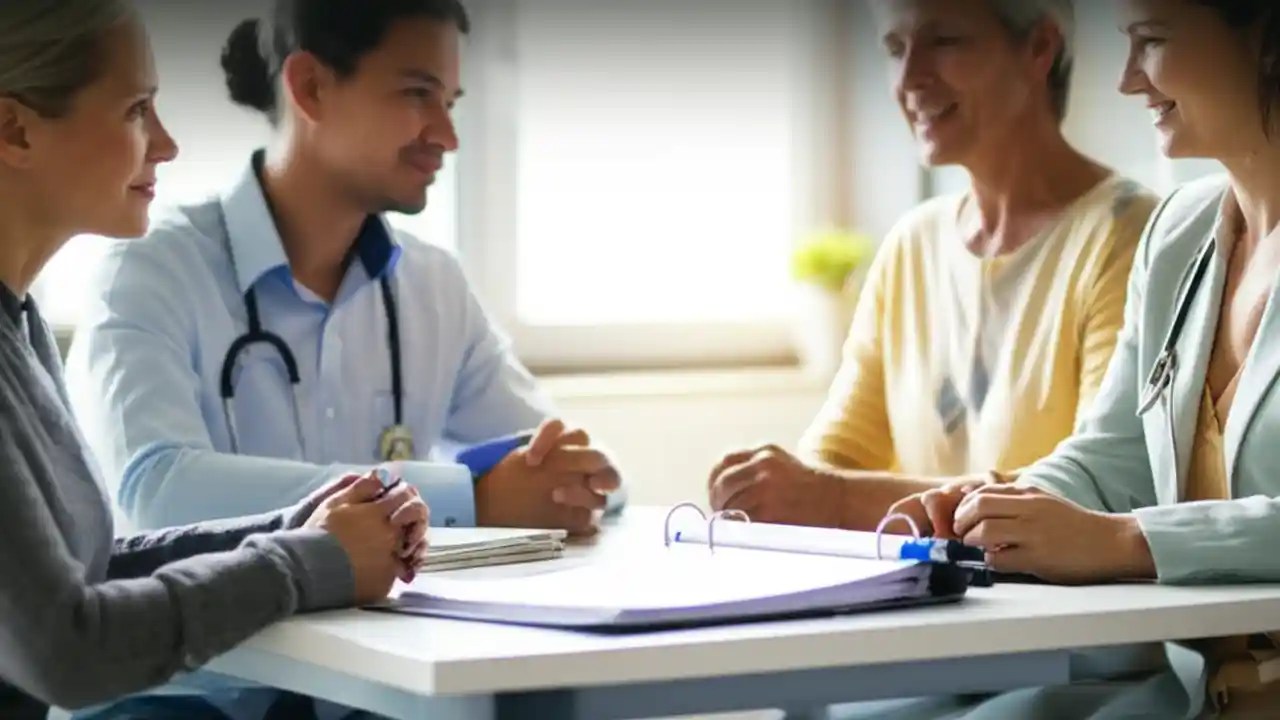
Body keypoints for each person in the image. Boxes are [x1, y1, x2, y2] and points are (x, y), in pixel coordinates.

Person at [0, 2, 429, 718]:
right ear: (14, 129)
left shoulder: (20, 325)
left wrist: (296, 524)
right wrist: (310, 561)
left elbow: (85, 572)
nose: (165, 145)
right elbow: (67, 648)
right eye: (137, 109)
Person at [64, 0, 623, 540]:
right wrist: (468, 499)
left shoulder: (434, 287)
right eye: (417, 94)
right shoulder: (151, 271)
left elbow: (587, 472)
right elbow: (157, 492)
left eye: (449, 103)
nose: (447, 137)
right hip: (228, 639)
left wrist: (569, 480)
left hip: (400, 635)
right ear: (310, 87)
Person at [883, 0, 1280, 717]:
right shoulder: (1178, 231)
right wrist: (997, 505)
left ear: (1268, 42)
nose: (1130, 81)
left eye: (1153, 42)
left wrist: (1126, 541)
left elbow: (1118, 528)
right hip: (1205, 693)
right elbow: (1111, 455)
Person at [707, 0, 1158, 532]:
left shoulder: (1129, 233)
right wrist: (774, 492)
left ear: (1040, 48)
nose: (909, 78)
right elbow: (836, 458)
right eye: (895, 49)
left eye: (944, 42)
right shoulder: (912, 243)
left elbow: (1092, 491)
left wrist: (830, 500)